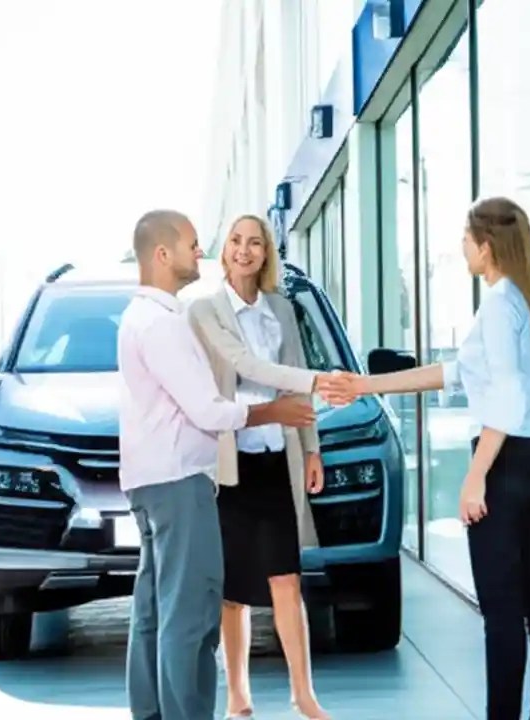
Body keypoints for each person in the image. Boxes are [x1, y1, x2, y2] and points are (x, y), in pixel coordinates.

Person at [335, 197, 530, 720]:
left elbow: (505, 398)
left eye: (466, 238)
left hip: (505, 460)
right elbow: (452, 373)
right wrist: (365, 386)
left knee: (504, 610)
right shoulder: (522, 302)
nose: (461, 246)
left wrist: (475, 477)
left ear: (485, 247)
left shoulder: (497, 305)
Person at [118, 209, 317, 720]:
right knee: (192, 615)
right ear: (162, 255)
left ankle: (151, 713)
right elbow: (207, 408)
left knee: (154, 611)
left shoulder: (143, 317)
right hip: (180, 484)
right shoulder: (164, 324)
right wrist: (274, 408)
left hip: (152, 482)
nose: (200, 252)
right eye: (192, 245)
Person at [185, 214, 341, 720]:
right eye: (235, 241)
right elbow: (247, 369)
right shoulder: (204, 311)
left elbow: (293, 383)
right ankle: (238, 696)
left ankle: (303, 694)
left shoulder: (282, 309)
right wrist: (323, 380)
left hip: (278, 457)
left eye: (255, 242)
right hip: (227, 464)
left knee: (286, 579)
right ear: (223, 250)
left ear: (266, 252)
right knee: (234, 589)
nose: (244, 250)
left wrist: (311, 447)